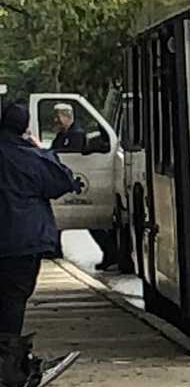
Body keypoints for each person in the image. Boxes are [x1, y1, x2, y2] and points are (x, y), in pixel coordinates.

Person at [0, 104, 78, 337]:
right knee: (14, 300)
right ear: (25, 127)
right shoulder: (31, 157)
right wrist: (40, 149)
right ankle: (8, 350)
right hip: (22, 242)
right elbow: (62, 181)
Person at [48, 104, 118, 271]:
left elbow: (69, 154)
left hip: (77, 181)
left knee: (92, 222)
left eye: (58, 117)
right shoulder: (61, 135)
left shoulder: (76, 134)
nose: (56, 120)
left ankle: (112, 254)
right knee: (58, 219)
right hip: (65, 182)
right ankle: (54, 251)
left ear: (67, 116)